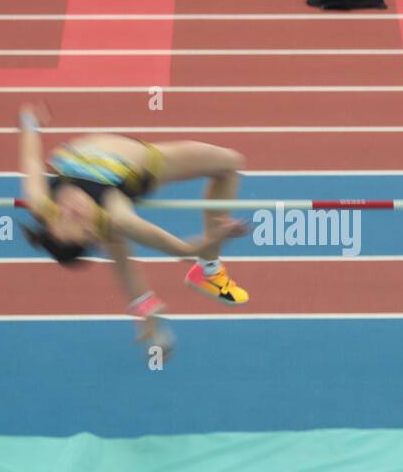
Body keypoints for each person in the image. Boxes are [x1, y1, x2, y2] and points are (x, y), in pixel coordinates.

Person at [16, 102, 249, 357]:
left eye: (62, 216)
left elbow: (30, 158)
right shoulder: (117, 215)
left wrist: (29, 122)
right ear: (92, 232)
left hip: (105, 165)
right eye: (79, 220)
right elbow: (181, 249)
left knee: (119, 252)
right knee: (230, 162)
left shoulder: (41, 203)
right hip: (148, 164)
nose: (71, 209)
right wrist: (219, 237)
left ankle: (147, 313)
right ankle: (208, 270)